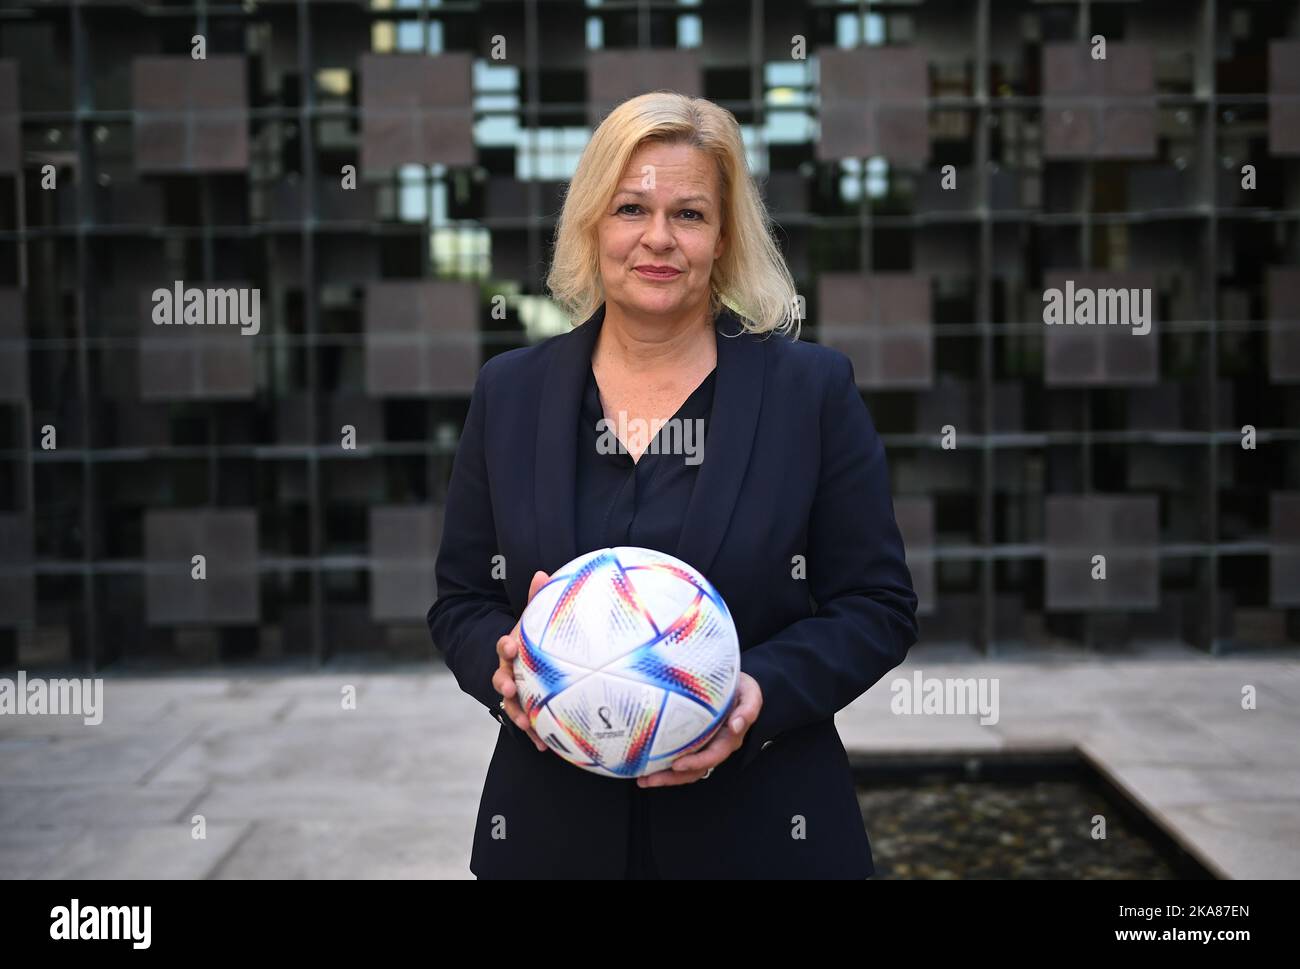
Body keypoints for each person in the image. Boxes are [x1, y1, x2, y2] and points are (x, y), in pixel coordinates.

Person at [427, 90, 918, 879]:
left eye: (689, 213)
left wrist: (754, 691)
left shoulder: (810, 392)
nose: (658, 238)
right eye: (631, 207)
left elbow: (877, 606)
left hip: (762, 838)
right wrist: (506, 664)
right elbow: (459, 598)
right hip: (552, 840)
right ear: (592, 223)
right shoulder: (510, 392)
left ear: (724, 238)